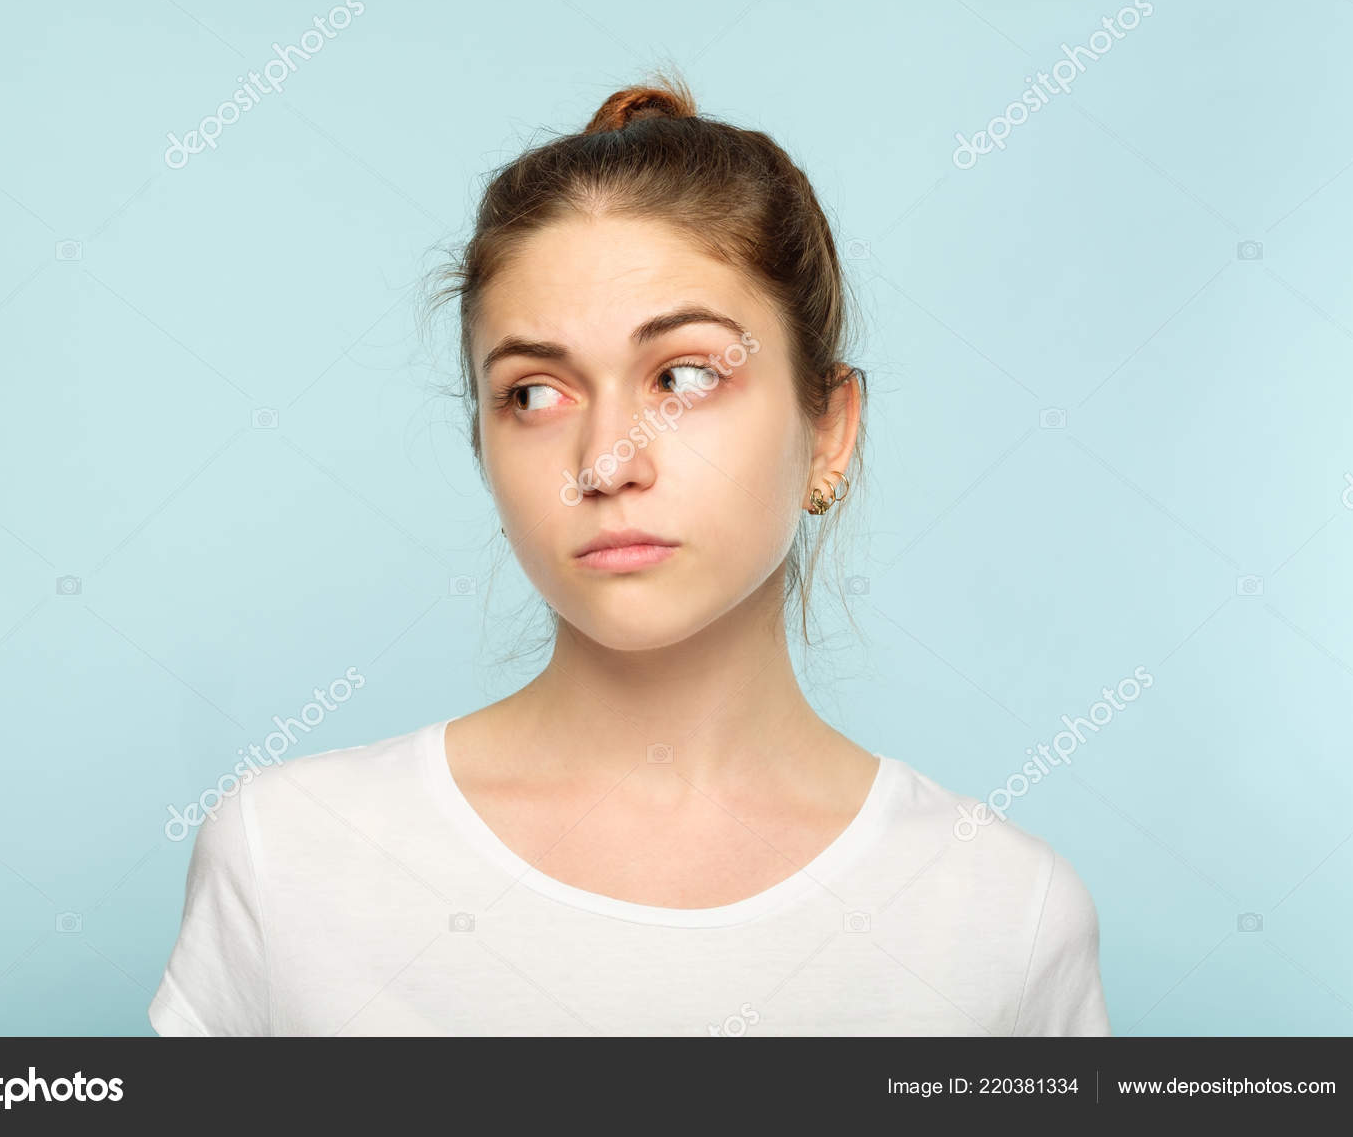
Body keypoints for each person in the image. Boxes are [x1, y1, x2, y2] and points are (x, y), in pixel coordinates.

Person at [148, 73, 1110, 1037]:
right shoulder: (293, 859)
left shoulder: (1000, 916)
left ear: (830, 430)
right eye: (533, 393)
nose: (606, 462)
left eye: (684, 375)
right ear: (482, 445)